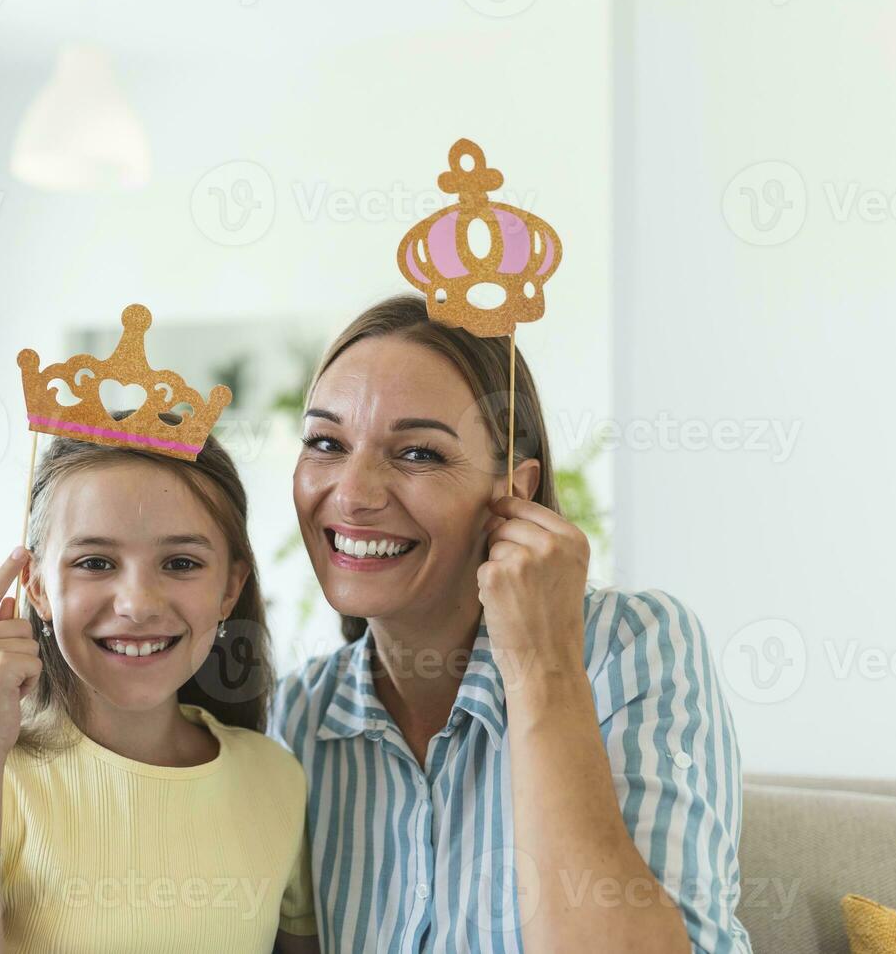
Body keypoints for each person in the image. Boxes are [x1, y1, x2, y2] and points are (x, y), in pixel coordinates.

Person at [271, 295, 753, 953]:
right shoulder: (297, 718)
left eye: (418, 454)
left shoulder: (632, 648)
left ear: (515, 493)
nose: (354, 494)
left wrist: (542, 664)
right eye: (327, 442)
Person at [0, 425, 320, 953]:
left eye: (180, 563)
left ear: (229, 589)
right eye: (95, 563)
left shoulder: (276, 778)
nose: (138, 605)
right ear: (36, 588)